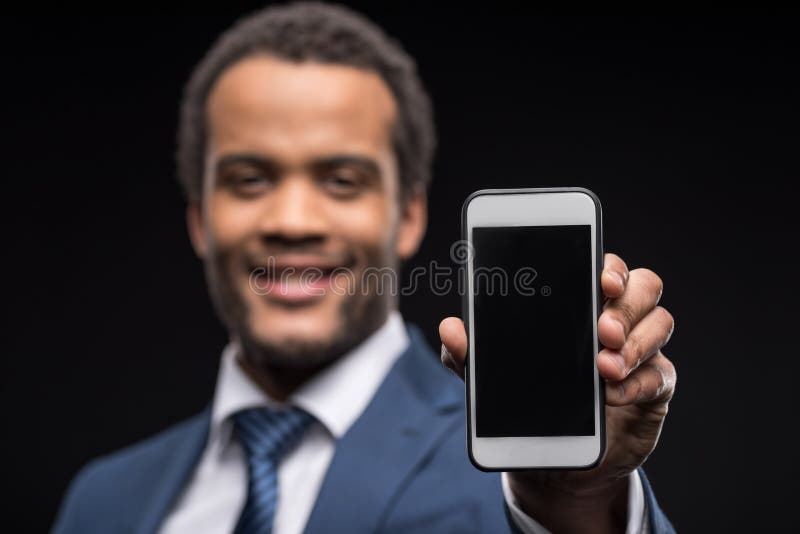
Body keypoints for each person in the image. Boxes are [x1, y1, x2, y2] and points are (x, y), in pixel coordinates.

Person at [53, 3, 677, 533]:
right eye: (249, 180)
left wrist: (575, 504)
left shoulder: (518, 475)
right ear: (198, 218)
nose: (293, 220)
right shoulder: (102, 501)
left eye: (342, 181)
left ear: (407, 216)